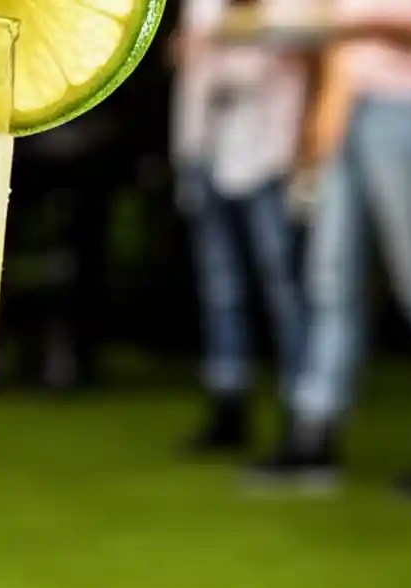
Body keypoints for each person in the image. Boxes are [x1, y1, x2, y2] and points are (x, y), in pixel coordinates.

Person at [252, 0, 411, 491]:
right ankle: (314, 432)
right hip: (346, 110)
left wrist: (365, 27)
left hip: (406, 107)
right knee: (331, 279)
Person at [172, 0, 309, 452]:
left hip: (269, 148)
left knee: (284, 284)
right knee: (219, 285)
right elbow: (189, 47)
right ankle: (227, 400)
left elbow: (304, 31)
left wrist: (235, 29)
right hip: (205, 142)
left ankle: (303, 409)